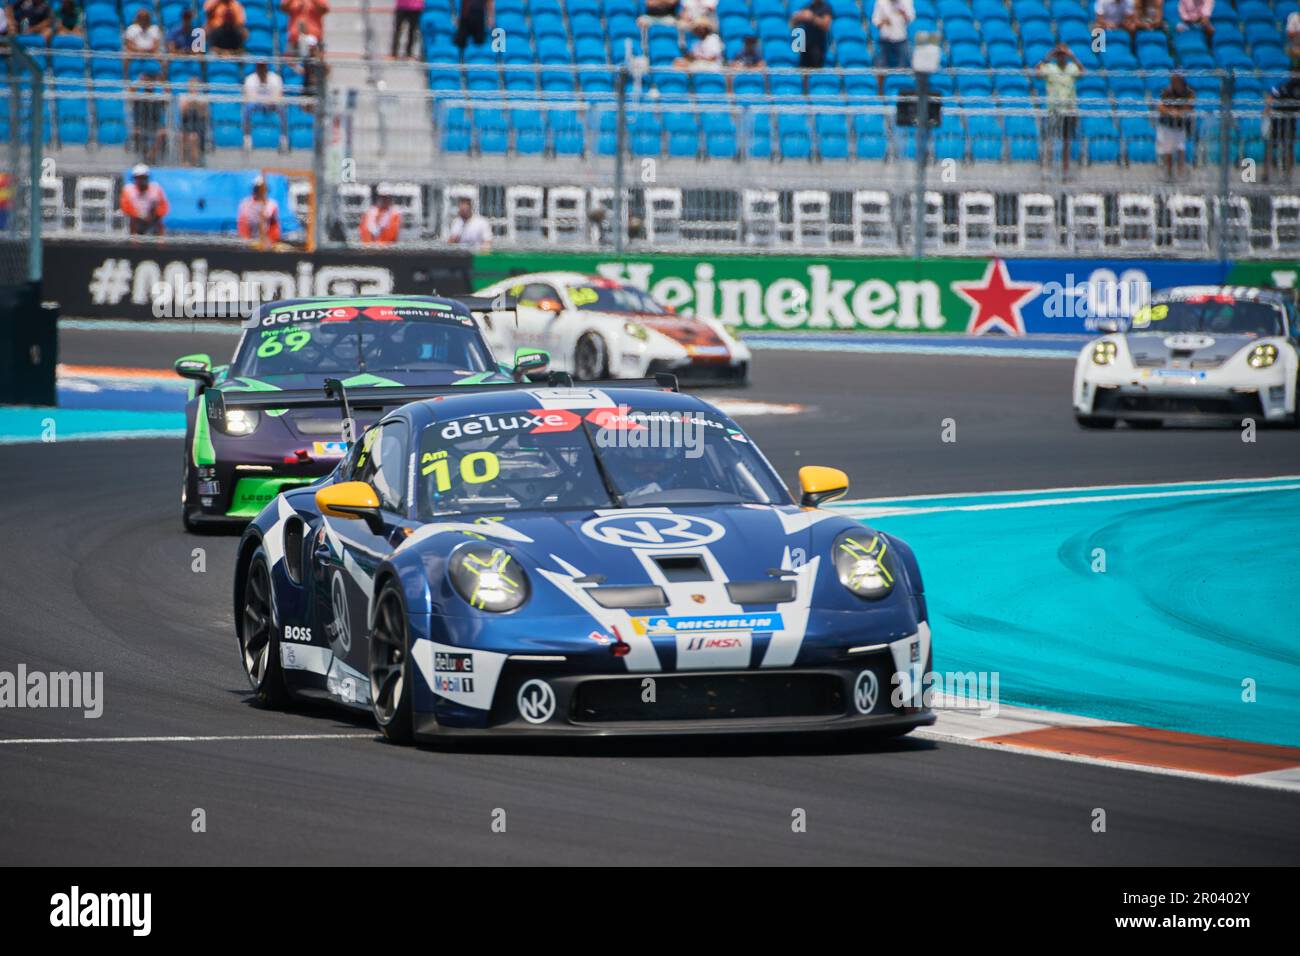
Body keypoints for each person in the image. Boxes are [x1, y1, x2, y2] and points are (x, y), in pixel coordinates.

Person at [1036, 43, 1082, 178]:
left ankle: (1065, 172)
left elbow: (1082, 72)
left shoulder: (1071, 67)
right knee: (1050, 141)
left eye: (1063, 54)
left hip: (1069, 110)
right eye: (1059, 54)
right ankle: (1047, 170)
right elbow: (1037, 73)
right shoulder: (1050, 67)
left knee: (1066, 143)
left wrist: (1072, 56)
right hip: (1053, 110)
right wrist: (1048, 56)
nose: (1061, 57)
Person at [1155, 72, 1195, 181]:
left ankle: (1180, 174)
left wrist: (1179, 112)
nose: (1174, 83)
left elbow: (1190, 105)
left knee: (1180, 149)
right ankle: (1168, 174)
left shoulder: (1188, 92)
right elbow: (1160, 106)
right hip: (1167, 125)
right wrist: (1171, 112)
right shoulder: (1167, 92)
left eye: (1176, 81)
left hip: (1180, 126)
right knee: (1167, 151)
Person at [1265, 68, 1300, 183]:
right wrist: (1267, 109)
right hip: (1278, 118)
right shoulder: (1284, 85)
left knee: (1289, 147)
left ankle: (1288, 175)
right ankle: (1266, 173)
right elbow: (1271, 96)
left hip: (1291, 120)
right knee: (1271, 145)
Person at [871, 0, 913, 94]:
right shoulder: (881, 2)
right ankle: (880, 92)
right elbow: (875, 21)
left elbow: (910, 18)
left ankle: (903, 92)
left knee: (904, 66)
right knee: (881, 66)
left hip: (901, 37)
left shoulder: (906, 1)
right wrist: (884, 21)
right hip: (885, 38)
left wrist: (903, 12)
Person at [119, 164, 169, 236]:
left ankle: (159, 238)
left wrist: (155, 214)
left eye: (143, 178)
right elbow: (126, 207)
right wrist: (138, 215)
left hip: (154, 218)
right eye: (138, 178)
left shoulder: (155, 189)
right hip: (137, 219)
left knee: (158, 222)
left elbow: (163, 206)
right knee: (133, 221)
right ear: (135, 179)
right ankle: (134, 239)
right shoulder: (128, 190)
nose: (141, 181)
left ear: (147, 178)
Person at [130, 69, 167, 162]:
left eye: (150, 81)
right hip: (141, 125)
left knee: (162, 133)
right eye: (147, 81)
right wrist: (139, 81)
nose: (148, 84)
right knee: (137, 132)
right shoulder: (139, 97)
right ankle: (146, 158)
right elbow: (130, 92)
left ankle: (150, 158)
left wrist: (161, 81)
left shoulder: (158, 97)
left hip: (155, 126)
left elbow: (168, 95)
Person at [237, 176, 282, 247]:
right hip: (249, 240)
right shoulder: (245, 203)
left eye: (262, 189)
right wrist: (246, 240)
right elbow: (243, 224)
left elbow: (274, 225)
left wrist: (272, 241)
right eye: (257, 189)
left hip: (266, 240)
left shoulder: (272, 204)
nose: (260, 192)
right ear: (254, 190)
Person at [243, 60, 283, 135]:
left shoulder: (275, 78)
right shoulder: (250, 79)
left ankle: (283, 133)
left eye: (263, 67)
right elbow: (249, 97)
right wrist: (262, 102)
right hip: (256, 104)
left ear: (266, 67)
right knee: (248, 106)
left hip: (271, 103)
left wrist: (270, 101)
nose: (261, 69)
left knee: (281, 106)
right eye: (260, 67)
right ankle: (247, 133)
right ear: (256, 68)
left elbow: (278, 95)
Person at [790, 0, 832, 69]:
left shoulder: (825, 7)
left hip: (818, 46)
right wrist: (797, 17)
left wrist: (812, 17)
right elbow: (792, 24)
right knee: (803, 71)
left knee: (816, 71)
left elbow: (826, 25)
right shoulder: (807, 7)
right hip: (805, 45)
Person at [180, 77, 209, 166]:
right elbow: (183, 112)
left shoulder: (203, 98)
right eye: (191, 86)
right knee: (181, 137)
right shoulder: (183, 96)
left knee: (193, 137)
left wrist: (195, 103)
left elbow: (204, 114)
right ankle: (183, 162)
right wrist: (192, 103)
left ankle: (194, 163)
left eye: (195, 86)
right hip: (186, 124)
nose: (193, 88)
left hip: (198, 126)